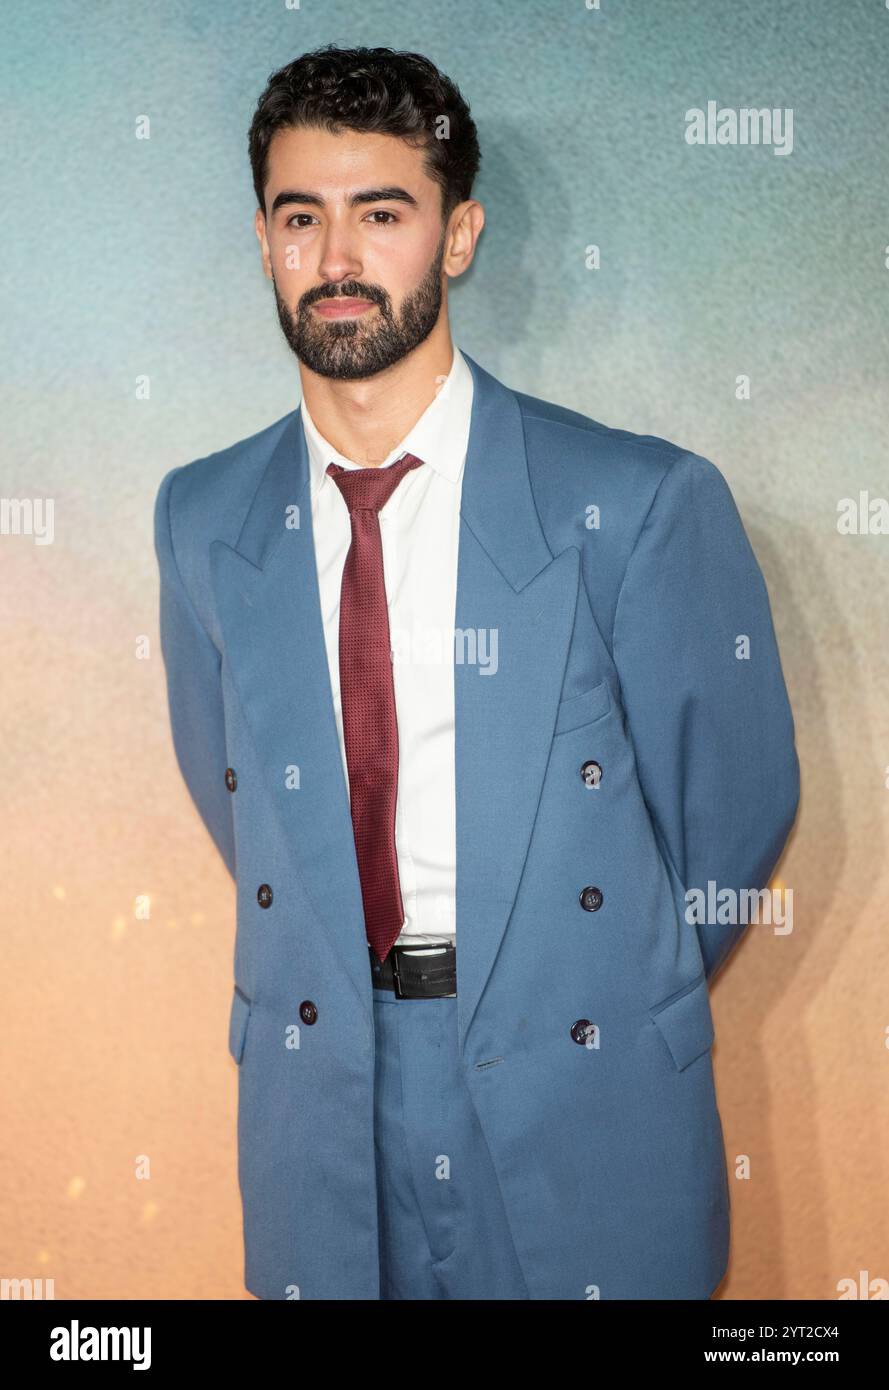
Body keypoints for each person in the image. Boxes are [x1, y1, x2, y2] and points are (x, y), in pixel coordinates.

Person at [154, 44, 800, 1300]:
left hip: (578, 1082)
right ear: (265, 238)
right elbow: (246, 808)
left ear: (456, 237)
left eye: (380, 213)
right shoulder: (202, 517)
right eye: (303, 217)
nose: (338, 258)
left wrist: (582, 978)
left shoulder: (634, 500)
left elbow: (728, 815)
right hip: (320, 1096)